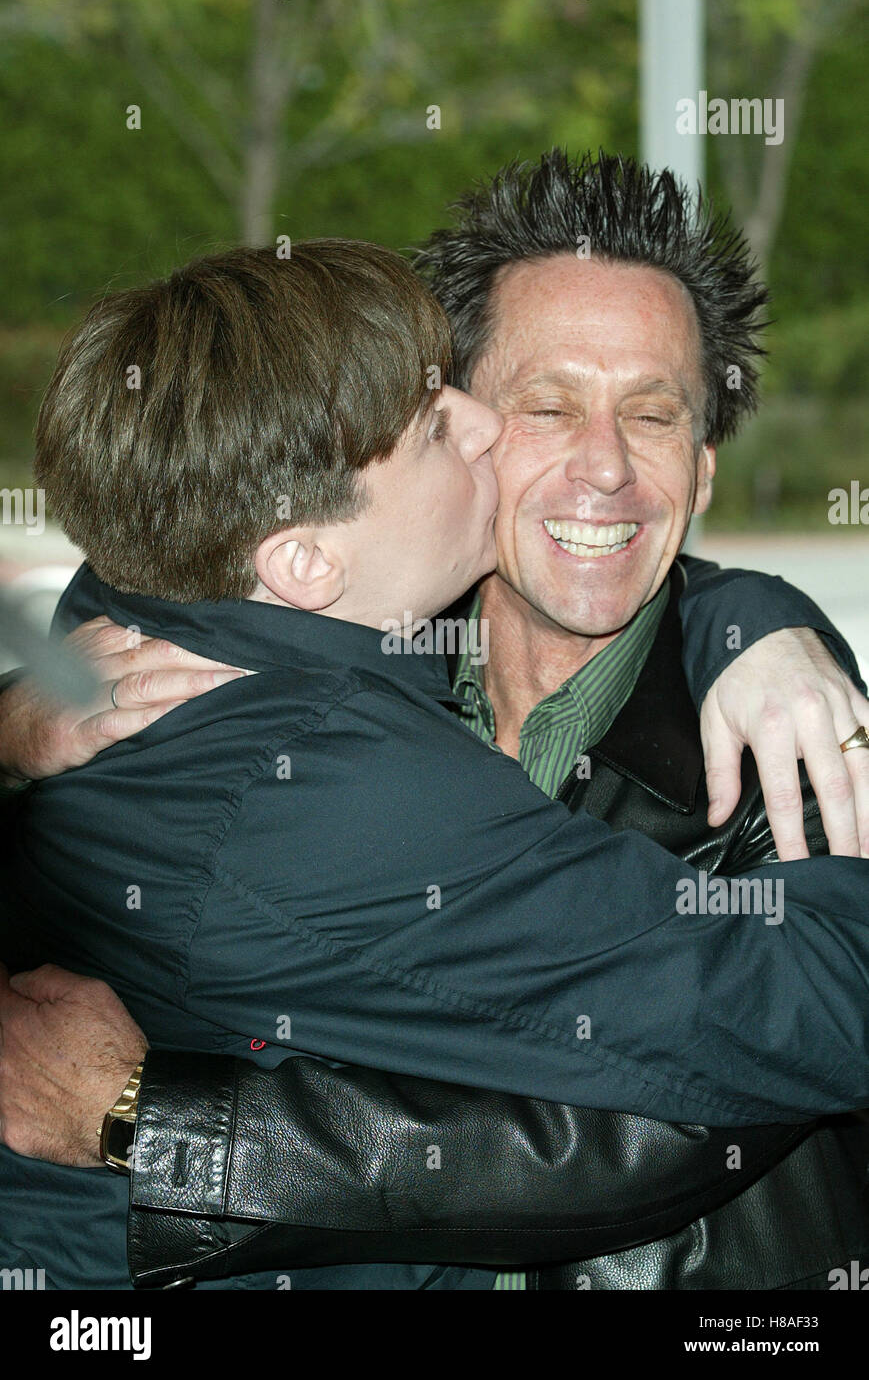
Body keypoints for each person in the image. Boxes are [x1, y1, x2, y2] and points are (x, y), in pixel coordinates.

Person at [1, 161, 868, 1294]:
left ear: (701, 470)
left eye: (651, 416)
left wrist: (150, 1124)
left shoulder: (793, 753)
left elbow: (664, 1130)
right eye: (539, 405)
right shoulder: (301, 739)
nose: (603, 464)